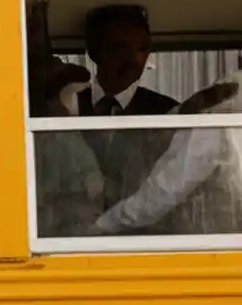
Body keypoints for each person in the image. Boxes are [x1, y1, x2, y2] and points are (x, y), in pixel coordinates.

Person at [91, 75, 242, 236]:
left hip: (213, 243)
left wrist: (103, 225)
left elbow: (165, 191)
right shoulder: (222, 96)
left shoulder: (215, 117)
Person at [72, 5, 179, 222]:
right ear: (94, 52)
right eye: (119, 48)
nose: (133, 59)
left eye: (142, 49)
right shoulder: (66, 108)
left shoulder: (167, 112)